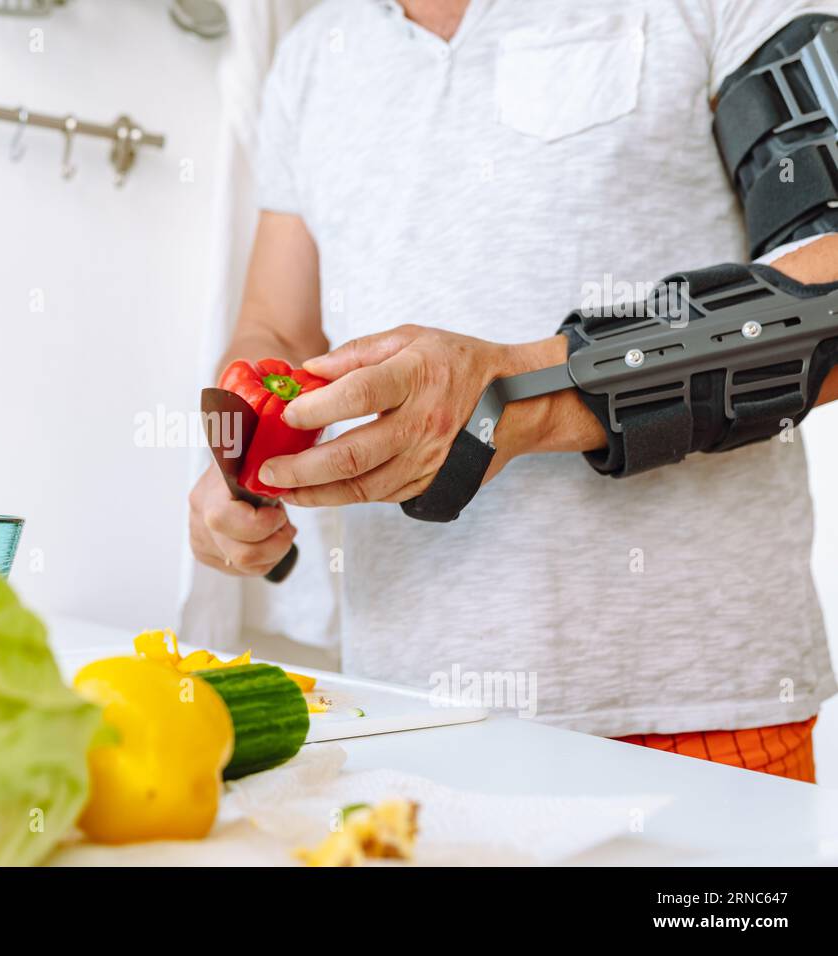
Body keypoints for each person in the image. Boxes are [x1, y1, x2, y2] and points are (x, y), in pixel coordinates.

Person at [189, 0, 838, 782]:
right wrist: (242, 462)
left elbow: (827, 296)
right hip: (401, 715)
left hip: (693, 711)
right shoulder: (311, 53)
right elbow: (279, 333)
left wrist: (515, 401)